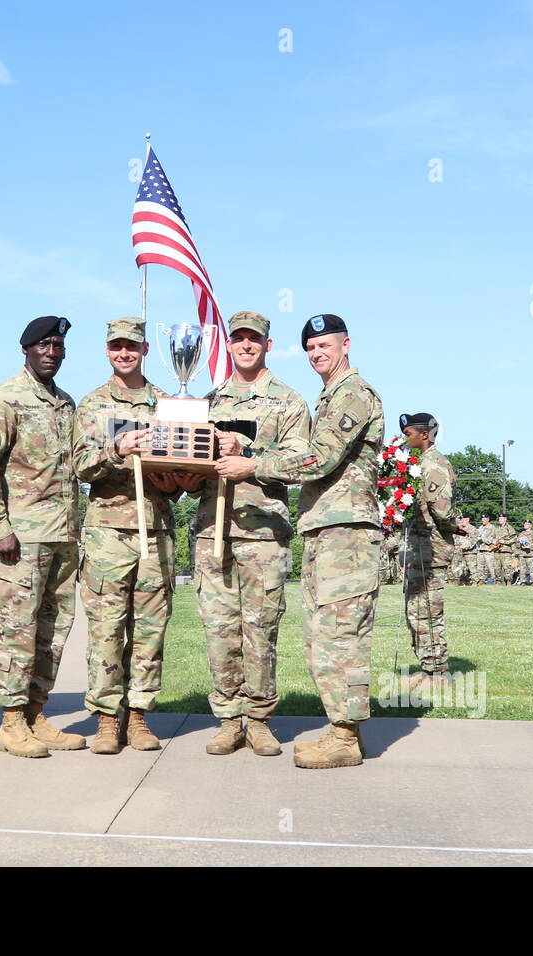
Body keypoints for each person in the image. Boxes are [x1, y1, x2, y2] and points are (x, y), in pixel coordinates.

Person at [217, 313, 384, 770]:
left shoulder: (353, 393)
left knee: (340, 639)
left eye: (325, 345)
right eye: (310, 348)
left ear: (346, 344)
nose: (317, 354)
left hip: (347, 533)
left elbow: (321, 458)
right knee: (324, 638)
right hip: (328, 530)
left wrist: (252, 465)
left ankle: (345, 738)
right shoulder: (331, 395)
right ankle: (342, 730)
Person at [174, 310, 311, 757]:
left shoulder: (288, 401)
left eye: (254, 339)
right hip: (213, 530)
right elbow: (186, 457)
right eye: (238, 339)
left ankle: (259, 719)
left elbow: (302, 462)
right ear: (228, 345)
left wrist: (247, 450)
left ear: (268, 344)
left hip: (263, 535)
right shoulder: (208, 400)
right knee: (219, 630)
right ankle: (229, 718)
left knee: (261, 630)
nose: (246, 345)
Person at [0, 315, 83, 758]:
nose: (52, 352)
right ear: (26, 350)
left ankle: (36, 712)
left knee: (53, 631)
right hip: (21, 537)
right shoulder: (2, 399)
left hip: (62, 537)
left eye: (59, 346)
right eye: (44, 345)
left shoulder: (65, 403)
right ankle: (11, 722)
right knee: (17, 629)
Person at [73, 317, 180, 755]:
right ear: (106, 350)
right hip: (107, 533)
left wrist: (175, 473)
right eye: (116, 346)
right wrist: (117, 448)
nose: (124, 353)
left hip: (155, 528)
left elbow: (185, 462)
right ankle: (104, 718)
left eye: (132, 346)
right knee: (106, 629)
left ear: (145, 350)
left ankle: (138, 716)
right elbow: (80, 465)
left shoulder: (168, 404)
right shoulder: (93, 404)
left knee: (150, 629)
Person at [398, 413, 458, 690]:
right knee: (415, 611)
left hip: (431, 550)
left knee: (428, 613)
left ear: (424, 435)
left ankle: (438, 673)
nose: (404, 437)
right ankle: (426, 669)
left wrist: (456, 527)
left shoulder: (434, 465)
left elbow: (442, 511)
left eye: (408, 433)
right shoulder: (414, 464)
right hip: (416, 549)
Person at [493, 514, 517, 585]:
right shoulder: (496, 528)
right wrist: (494, 541)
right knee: (496, 568)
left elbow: (514, 538)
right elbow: (493, 537)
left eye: (501, 518)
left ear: (505, 519)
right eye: (499, 518)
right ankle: (498, 581)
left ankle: (508, 582)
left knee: (507, 568)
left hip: (506, 551)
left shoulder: (509, 528)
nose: (500, 520)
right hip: (497, 550)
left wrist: (505, 542)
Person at [476, 514, 498, 585]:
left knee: (491, 566)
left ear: (488, 519)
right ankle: (482, 580)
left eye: (484, 519)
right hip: (481, 549)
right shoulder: (480, 527)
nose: (483, 520)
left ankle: (496, 580)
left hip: (489, 550)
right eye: (482, 519)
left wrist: (483, 539)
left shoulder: (492, 527)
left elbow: (495, 539)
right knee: (480, 566)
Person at [516, 519, 533, 585]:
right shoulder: (521, 534)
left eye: (527, 524)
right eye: (524, 524)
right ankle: (523, 581)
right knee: (522, 569)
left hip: (530, 554)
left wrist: (529, 546)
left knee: (532, 569)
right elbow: (516, 544)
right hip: (522, 554)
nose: (525, 525)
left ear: (530, 525)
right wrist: (520, 545)